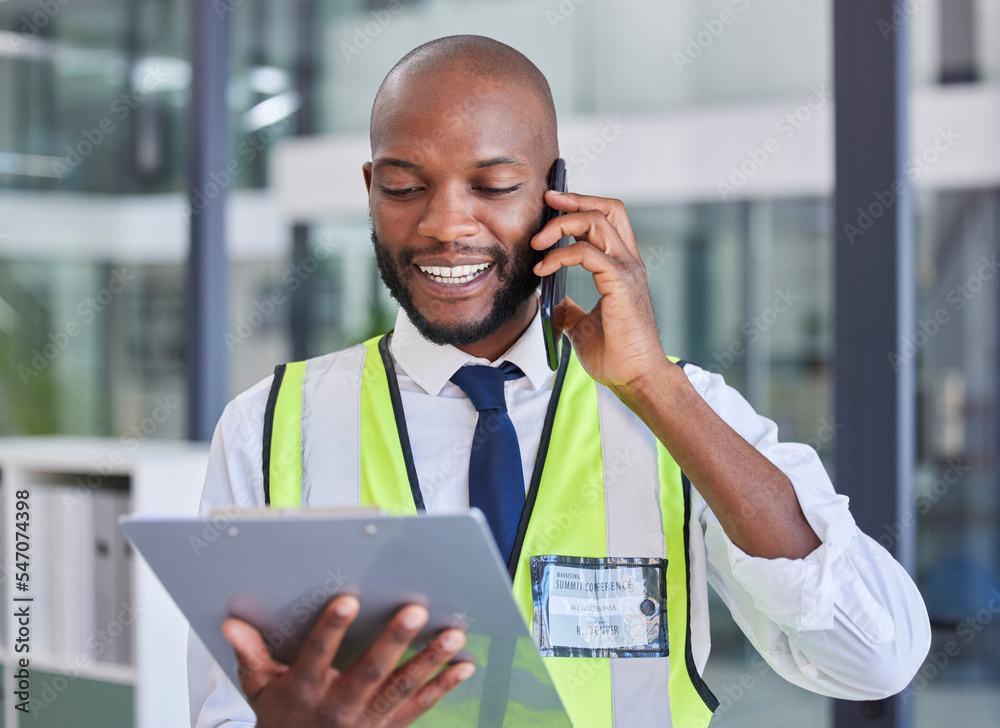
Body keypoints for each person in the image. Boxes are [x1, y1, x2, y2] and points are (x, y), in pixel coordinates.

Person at [188, 34, 930, 728]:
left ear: (557, 191)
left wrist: (656, 388)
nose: (446, 223)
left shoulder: (677, 413)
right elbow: (221, 707)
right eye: (406, 186)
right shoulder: (270, 426)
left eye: (495, 184)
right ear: (371, 191)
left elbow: (875, 657)